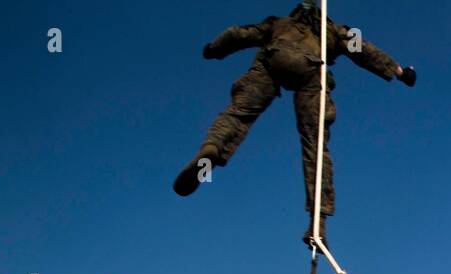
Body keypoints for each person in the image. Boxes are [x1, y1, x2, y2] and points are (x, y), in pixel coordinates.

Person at [172, 0, 417, 244]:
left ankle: (209, 156)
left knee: (237, 115)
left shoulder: (279, 23)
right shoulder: (335, 30)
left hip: (273, 59)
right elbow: (364, 49)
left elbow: (240, 33)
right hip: (311, 70)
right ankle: (317, 224)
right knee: (315, 144)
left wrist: (214, 49)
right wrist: (400, 72)